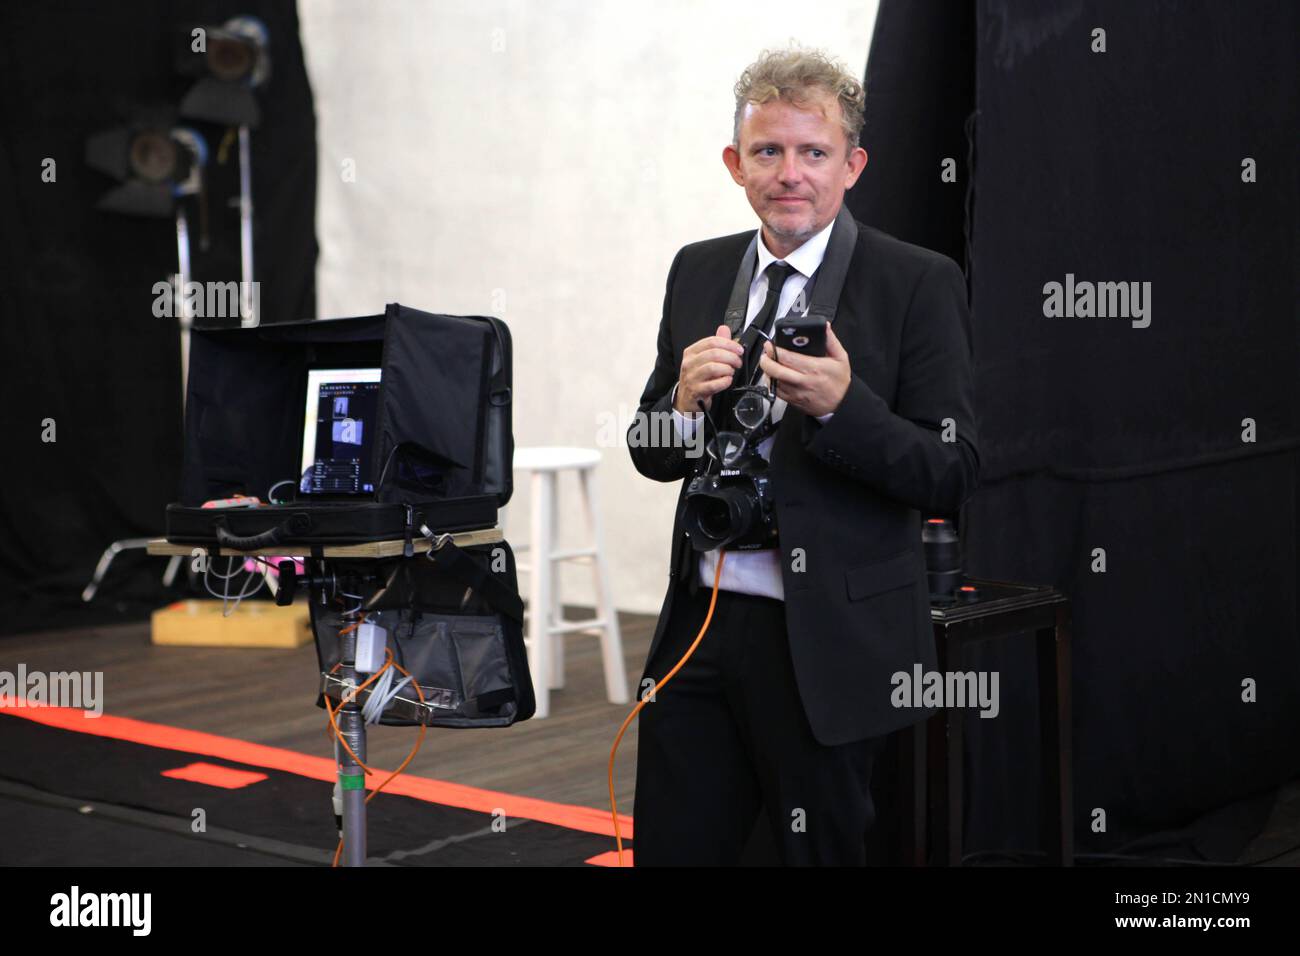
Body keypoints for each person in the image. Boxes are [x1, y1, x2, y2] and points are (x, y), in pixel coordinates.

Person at [626, 47, 980, 865]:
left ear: (852, 165)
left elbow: (954, 472)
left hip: (829, 641)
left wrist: (844, 410)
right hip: (698, 626)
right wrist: (680, 405)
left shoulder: (917, 282)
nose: (790, 174)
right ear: (735, 163)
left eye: (813, 152)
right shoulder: (698, 268)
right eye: (768, 151)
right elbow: (652, 454)